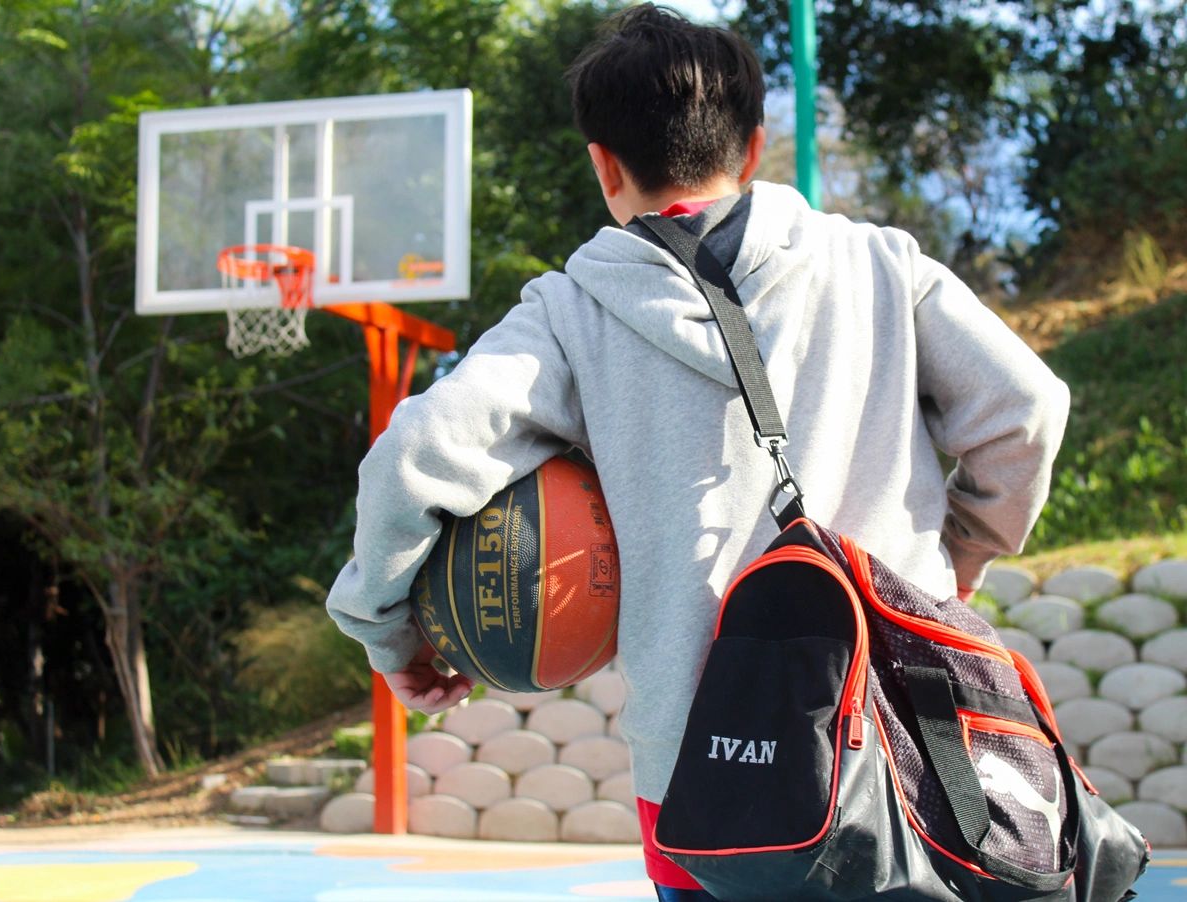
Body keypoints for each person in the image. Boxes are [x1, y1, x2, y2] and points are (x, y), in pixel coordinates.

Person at [326, 5, 1069, 899]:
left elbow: (418, 449)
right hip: (902, 733)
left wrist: (390, 632)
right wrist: (957, 554)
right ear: (753, 148)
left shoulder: (572, 313)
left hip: (704, 773)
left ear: (604, 165)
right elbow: (1025, 407)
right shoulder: (879, 264)